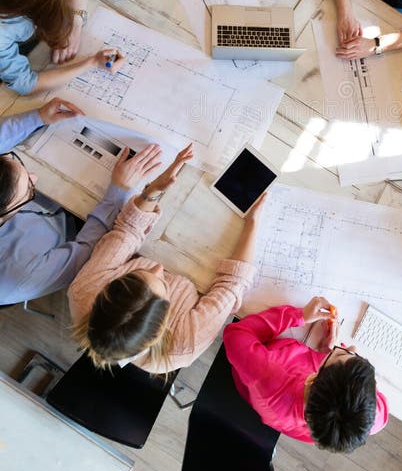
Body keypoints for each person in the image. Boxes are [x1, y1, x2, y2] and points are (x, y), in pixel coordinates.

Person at [69, 148, 260, 374]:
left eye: (135, 273)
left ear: (108, 289)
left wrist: (154, 190)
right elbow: (232, 284)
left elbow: (127, 230)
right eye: (163, 285)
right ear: (162, 326)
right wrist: (253, 222)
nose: (158, 267)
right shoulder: (186, 343)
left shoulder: (85, 290)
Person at [0, 98, 162, 304]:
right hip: (73, 230)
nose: (35, 178)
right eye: (29, 189)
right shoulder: (20, 275)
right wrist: (120, 188)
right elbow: (87, 250)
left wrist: (37, 117)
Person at [223, 296, 388, 452]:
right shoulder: (362, 419)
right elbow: (381, 412)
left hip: (257, 366)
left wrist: (299, 315)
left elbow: (236, 334)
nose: (352, 347)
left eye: (341, 353)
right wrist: (331, 350)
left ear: (313, 376)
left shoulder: (271, 377)